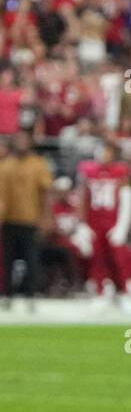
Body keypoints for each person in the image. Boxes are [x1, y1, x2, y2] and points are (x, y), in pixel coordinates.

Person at [77, 139, 131, 300]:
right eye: (102, 151)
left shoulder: (120, 172)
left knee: (119, 258)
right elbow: (82, 198)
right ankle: (100, 292)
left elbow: (127, 199)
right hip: (94, 220)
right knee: (96, 259)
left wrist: (122, 226)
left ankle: (124, 291)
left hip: (112, 220)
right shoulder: (88, 171)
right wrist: (82, 223)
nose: (104, 155)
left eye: (107, 151)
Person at [0, 129, 52, 304]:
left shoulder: (38, 164)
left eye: (25, 140)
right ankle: (7, 294)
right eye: (18, 140)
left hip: (31, 219)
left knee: (32, 259)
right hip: (9, 220)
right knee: (7, 260)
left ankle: (31, 294)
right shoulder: (5, 165)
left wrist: (45, 218)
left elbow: (46, 193)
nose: (21, 143)